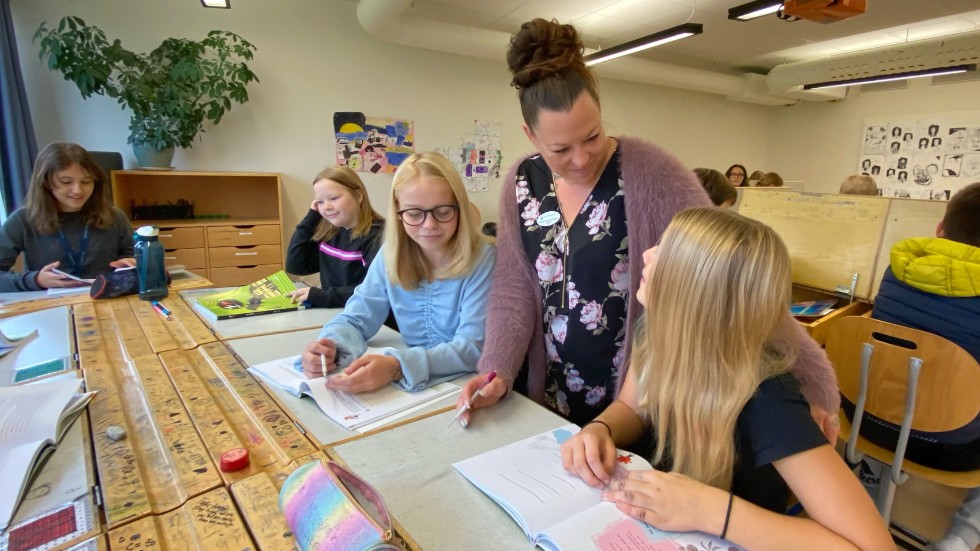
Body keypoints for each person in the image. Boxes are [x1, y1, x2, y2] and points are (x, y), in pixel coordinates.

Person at [456, 18, 840, 437]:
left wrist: (814, 386)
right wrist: (497, 370)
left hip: (638, 403)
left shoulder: (652, 175)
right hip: (550, 398)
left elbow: (730, 276)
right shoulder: (522, 184)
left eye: (592, 136)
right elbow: (513, 288)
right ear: (530, 135)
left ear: (601, 113)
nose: (582, 159)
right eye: (561, 149)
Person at [560, 208, 894, 551]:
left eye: (665, 249)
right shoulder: (656, 329)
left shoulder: (768, 397)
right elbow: (632, 407)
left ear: (696, 288)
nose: (646, 253)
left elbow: (874, 546)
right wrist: (601, 429)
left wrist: (710, 510)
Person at [298, 152, 495, 394]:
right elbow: (355, 317)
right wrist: (329, 347)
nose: (429, 225)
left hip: (471, 387)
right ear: (398, 214)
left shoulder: (484, 259)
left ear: (460, 208)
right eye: (414, 213)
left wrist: (398, 365)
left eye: (443, 211)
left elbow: (473, 347)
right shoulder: (389, 255)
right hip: (415, 390)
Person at [871, 182, 980, 551]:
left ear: (940, 228)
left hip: (870, 423)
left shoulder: (896, 269)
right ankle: (961, 540)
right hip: (949, 449)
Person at [0, 142, 135, 292]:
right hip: (47, 306)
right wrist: (36, 280)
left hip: (104, 299)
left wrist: (131, 266)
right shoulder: (22, 220)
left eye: (86, 181)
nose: (77, 190)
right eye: (66, 182)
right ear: (46, 182)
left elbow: (135, 263)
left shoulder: (115, 217)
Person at [285, 166, 384, 308]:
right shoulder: (330, 232)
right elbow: (296, 265)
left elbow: (375, 290)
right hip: (336, 311)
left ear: (359, 196)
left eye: (333, 198)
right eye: (320, 202)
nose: (326, 207)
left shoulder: (378, 235)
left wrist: (321, 296)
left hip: (365, 316)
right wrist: (312, 216)